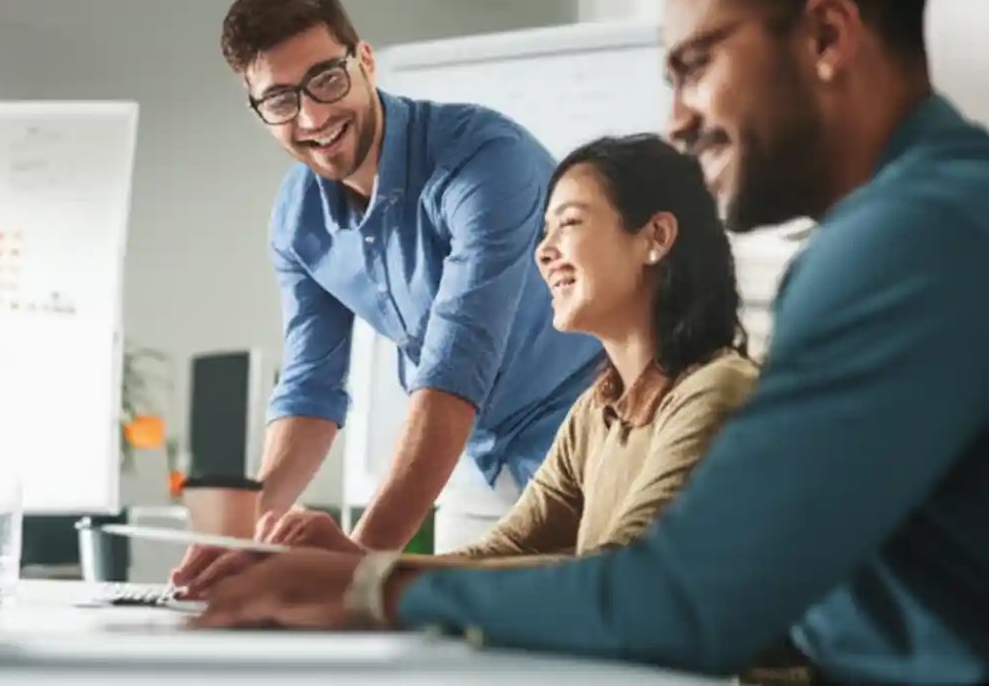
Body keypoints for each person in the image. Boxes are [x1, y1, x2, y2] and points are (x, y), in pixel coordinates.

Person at [191, 0, 989, 682]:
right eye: (280, 100)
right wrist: (302, 553)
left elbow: (685, 593)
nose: (676, 121)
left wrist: (369, 580)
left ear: (827, 35)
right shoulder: (907, 224)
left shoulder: (912, 239)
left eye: (696, 64)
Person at [181, 134, 758, 596]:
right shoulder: (597, 411)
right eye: (545, 227)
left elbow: (620, 576)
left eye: (572, 223)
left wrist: (356, 576)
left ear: (655, 236)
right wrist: (352, 561)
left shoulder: (715, 392)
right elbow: (504, 551)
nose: (544, 249)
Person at [176, 0, 604, 580]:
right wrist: (244, 536)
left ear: (365, 62)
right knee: (455, 663)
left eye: (326, 79)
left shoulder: (484, 160)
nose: (313, 116)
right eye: (280, 101)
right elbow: (310, 389)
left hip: (581, 443)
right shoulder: (298, 217)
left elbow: (456, 368)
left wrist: (357, 564)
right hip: (470, 466)